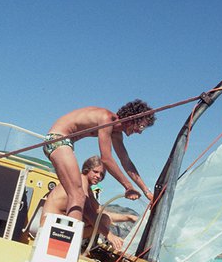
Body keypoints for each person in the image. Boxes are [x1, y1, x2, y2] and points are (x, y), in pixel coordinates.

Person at [42, 99, 155, 227]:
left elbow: (126, 162)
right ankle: (70, 236)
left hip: (60, 142)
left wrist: (147, 192)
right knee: (78, 195)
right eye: (141, 126)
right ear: (132, 118)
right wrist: (128, 186)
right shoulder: (106, 119)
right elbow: (106, 159)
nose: (140, 132)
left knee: (76, 195)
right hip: (57, 139)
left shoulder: (116, 133)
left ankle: (68, 233)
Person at [40, 156, 139, 251]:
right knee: (102, 221)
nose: (98, 176)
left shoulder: (87, 188)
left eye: (101, 174)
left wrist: (129, 217)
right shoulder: (80, 181)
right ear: (87, 169)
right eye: (95, 172)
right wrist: (109, 235)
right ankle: (84, 249)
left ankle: (85, 248)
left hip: (59, 224)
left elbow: (100, 211)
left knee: (104, 219)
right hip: (51, 225)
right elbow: (88, 212)